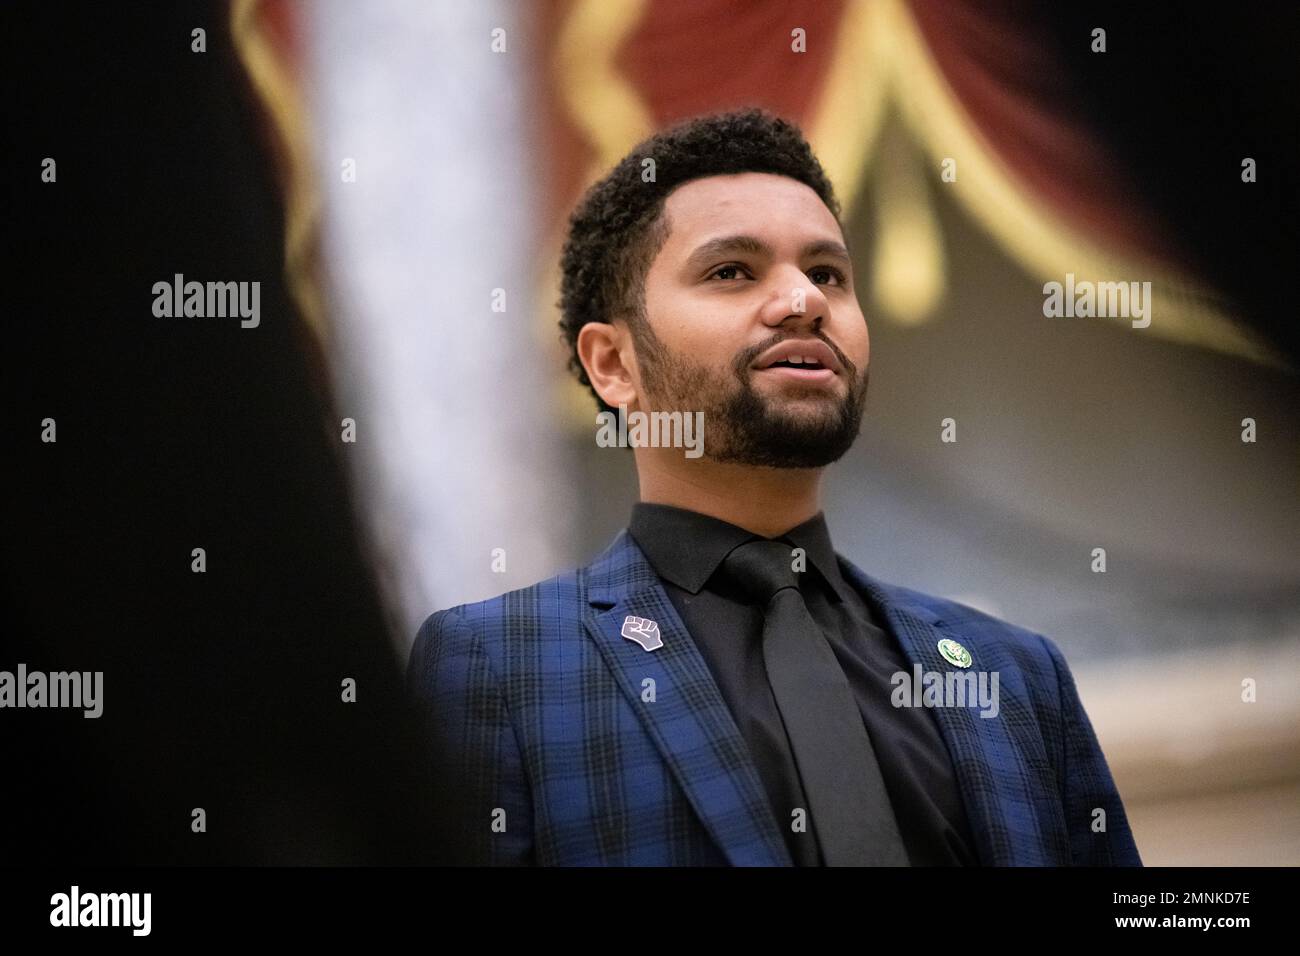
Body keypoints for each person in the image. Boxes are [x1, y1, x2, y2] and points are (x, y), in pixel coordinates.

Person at [407, 108, 1141, 866]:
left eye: (828, 274)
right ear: (613, 365)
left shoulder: (1013, 673)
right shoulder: (503, 667)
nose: (805, 301)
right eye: (732, 271)